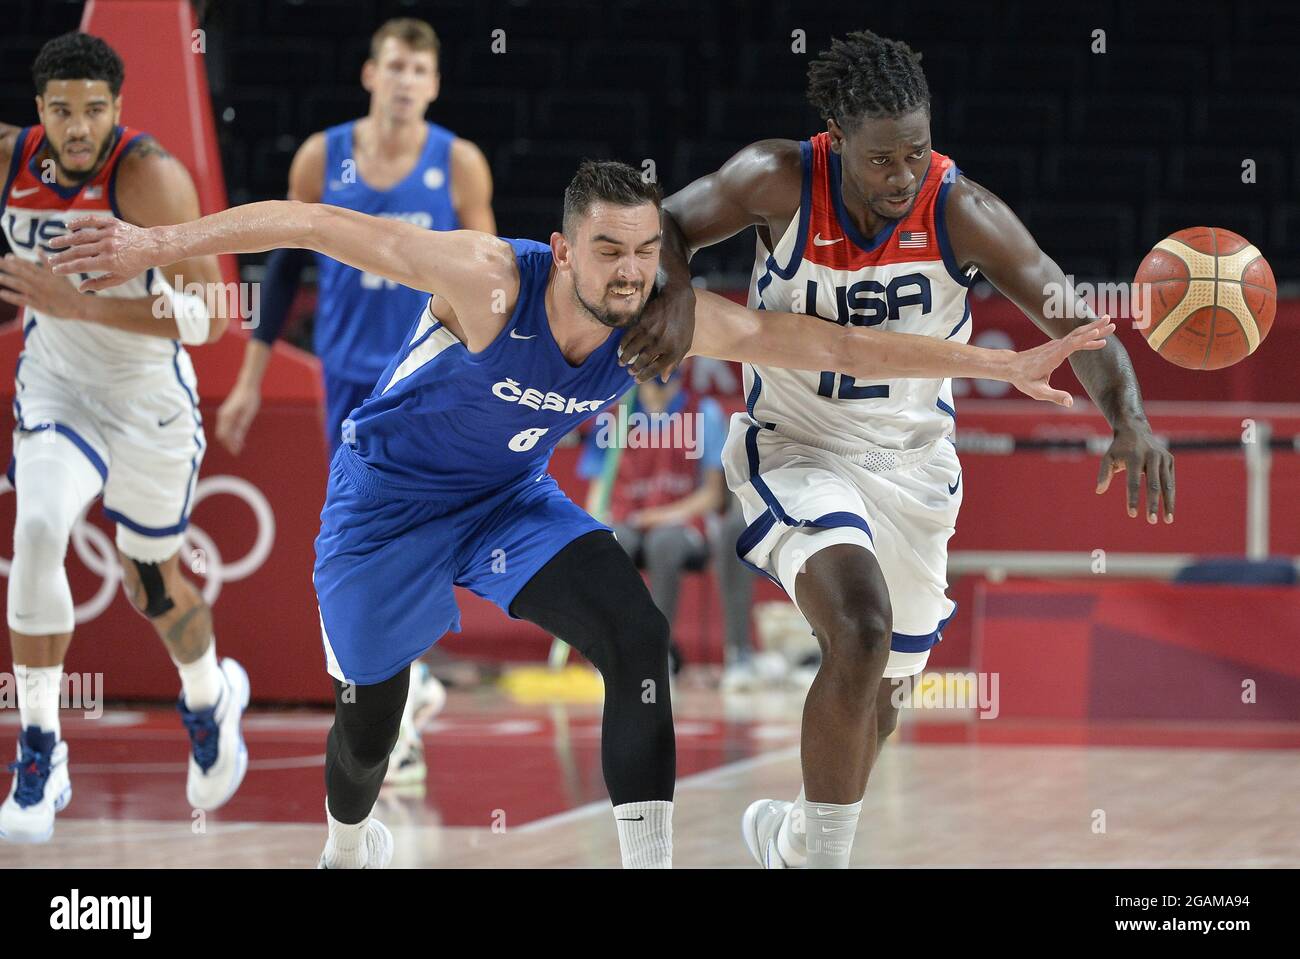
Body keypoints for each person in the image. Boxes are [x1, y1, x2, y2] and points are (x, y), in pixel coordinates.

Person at [48, 159, 1110, 868]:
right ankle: (345, 842)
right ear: (563, 251)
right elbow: (319, 223)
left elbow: (828, 347)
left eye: (645, 253)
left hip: (508, 502)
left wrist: (995, 361)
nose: (632, 272)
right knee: (368, 720)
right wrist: (160, 244)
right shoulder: (484, 280)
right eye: (608, 252)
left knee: (636, 636)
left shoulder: (656, 319)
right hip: (385, 506)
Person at [652, 30, 1177, 868]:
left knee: (885, 698)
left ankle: (792, 838)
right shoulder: (776, 177)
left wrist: (1130, 413)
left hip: (912, 467)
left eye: (917, 152)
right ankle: (824, 859)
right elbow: (668, 227)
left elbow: (1074, 317)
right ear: (834, 136)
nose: (902, 177)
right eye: (881, 160)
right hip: (795, 444)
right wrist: (671, 305)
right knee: (859, 628)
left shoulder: (960, 210)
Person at [215, 17, 495, 786]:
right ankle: (410, 691)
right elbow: (281, 269)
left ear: (434, 86)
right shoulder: (322, 156)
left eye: (420, 71)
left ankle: (398, 709)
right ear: (370, 75)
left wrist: (487, 376)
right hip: (344, 379)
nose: (406, 81)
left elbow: (493, 278)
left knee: (406, 534)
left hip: (426, 376)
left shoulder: (458, 164)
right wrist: (249, 376)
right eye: (395, 66)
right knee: (361, 538)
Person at [0, 33, 242, 843]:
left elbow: (212, 317)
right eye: (62, 111)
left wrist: (81, 304)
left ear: (117, 110)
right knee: (36, 529)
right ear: (38, 111)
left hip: (146, 401)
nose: (77, 127)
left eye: (93, 110)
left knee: (154, 588)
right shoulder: (7, 163)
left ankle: (208, 694)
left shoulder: (149, 178)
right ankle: (41, 747)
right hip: (57, 388)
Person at [578, 367, 759, 685]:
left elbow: (713, 494)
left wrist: (659, 517)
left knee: (665, 543)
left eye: (666, 385)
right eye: (651, 387)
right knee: (612, 546)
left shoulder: (704, 414)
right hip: (628, 519)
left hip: (684, 523)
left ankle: (658, 652)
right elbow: (598, 493)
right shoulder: (614, 419)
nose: (658, 395)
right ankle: (614, 652)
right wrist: (589, 536)